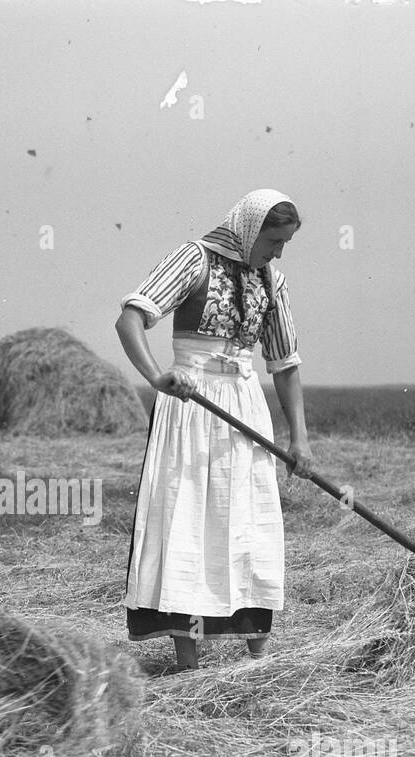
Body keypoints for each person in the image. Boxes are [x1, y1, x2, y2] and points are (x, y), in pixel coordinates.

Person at [115, 189, 313, 673]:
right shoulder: (193, 260)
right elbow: (130, 320)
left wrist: (299, 438)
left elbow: (284, 365)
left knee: (247, 522)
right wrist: (159, 376)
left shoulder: (273, 279)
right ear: (248, 229)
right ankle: (189, 660)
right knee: (189, 520)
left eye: (284, 244)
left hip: (245, 408)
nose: (278, 252)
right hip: (191, 404)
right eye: (273, 241)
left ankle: (256, 657)